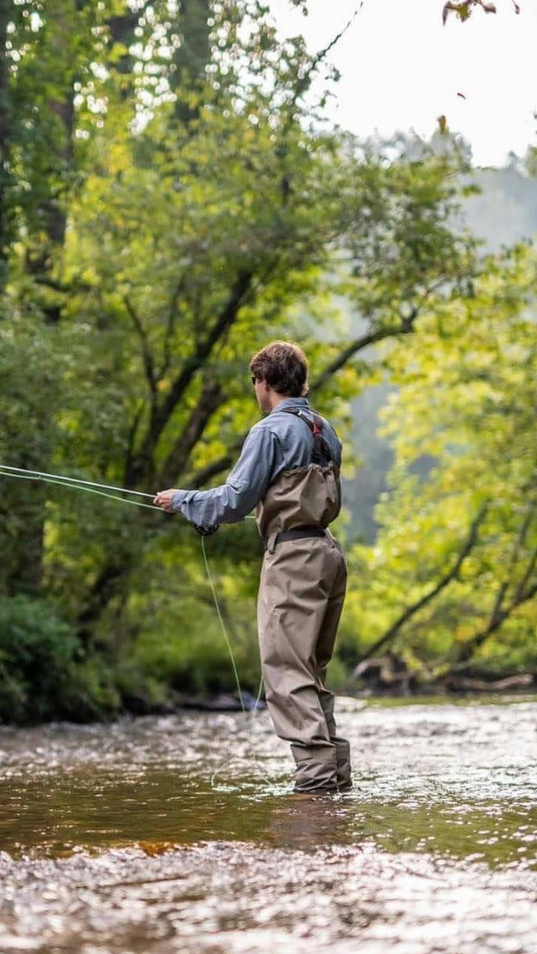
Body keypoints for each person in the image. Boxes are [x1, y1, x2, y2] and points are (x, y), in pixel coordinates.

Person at [154, 340, 351, 793]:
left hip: (293, 560)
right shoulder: (325, 429)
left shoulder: (270, 430)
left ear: (263, 382)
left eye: (255, 381)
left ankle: (315, 791)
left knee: (287, 671)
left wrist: (182, 500)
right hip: (327, 554)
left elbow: (234, 500)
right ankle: (335, 789)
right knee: (311, 672)